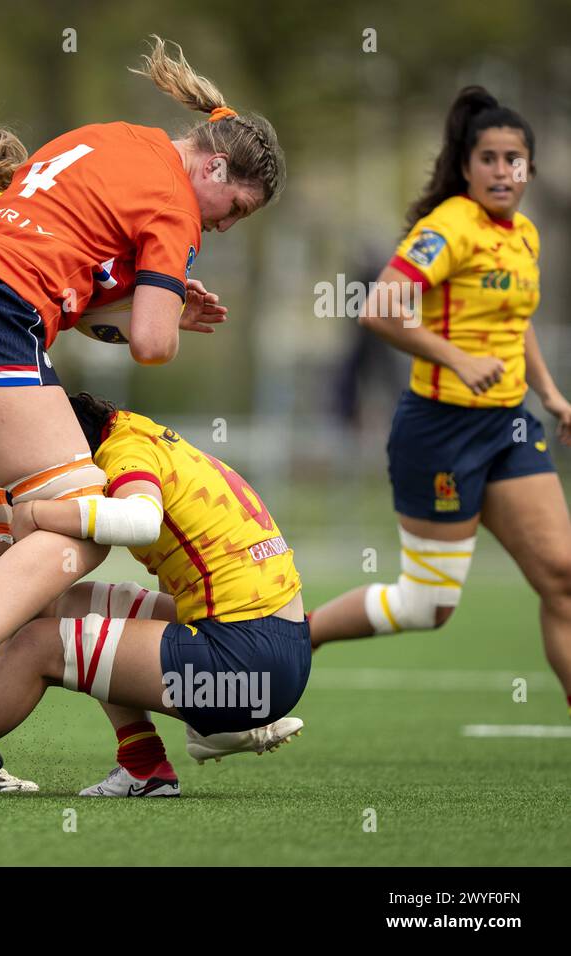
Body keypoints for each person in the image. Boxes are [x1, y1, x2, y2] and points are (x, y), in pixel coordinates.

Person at [0, 36, 282, 794]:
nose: (225, 226)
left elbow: (62, 270)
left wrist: (120, 302)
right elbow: (155, 347)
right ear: (216, 170)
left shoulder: (112, 136)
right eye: (233, 211)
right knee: (82, 526)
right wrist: (156, 301)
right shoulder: (175, 201)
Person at [0, 394, 307, 798]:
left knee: (40, 646)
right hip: (266, 646)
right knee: (69, 604)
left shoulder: (124, 455)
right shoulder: (138, 438)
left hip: (245, 661)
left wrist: (33, 513)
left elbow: (139, 520)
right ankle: (145, 767)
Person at [307, 87, 571, 720]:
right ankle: (294, 636)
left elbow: (516, 321)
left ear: (530, 168)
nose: (504, 170)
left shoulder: (526, 235)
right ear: (466, 165)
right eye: (489, 157)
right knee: (430, 606)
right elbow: (378, 308)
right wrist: (456, 358)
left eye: (515, 158)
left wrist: (552, 395)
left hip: (508, 426)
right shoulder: (448, 227)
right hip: (441, 431)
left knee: (562, 575)